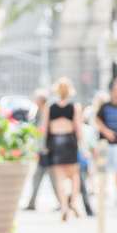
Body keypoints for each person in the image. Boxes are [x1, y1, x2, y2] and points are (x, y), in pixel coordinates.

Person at [41, 77, 83, 220]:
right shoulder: (74, 106)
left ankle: (64, 206)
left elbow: (44, 128)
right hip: (69, 140)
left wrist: (44, 146)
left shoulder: (49, 106)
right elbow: (78, 128)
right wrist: (82, 146)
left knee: (59, 178)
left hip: (55, 141)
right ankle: (74, 203)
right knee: (74, 175)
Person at [24, 89, 57, 211]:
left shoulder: (47, 112)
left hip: (47, 150)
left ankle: (62, 202)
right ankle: (32, 203)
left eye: (36, 99)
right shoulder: (38, 112)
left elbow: (45, 132)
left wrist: (44, 148)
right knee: (38, 177)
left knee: (52, 178)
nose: (35, 101)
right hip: (42, 150)